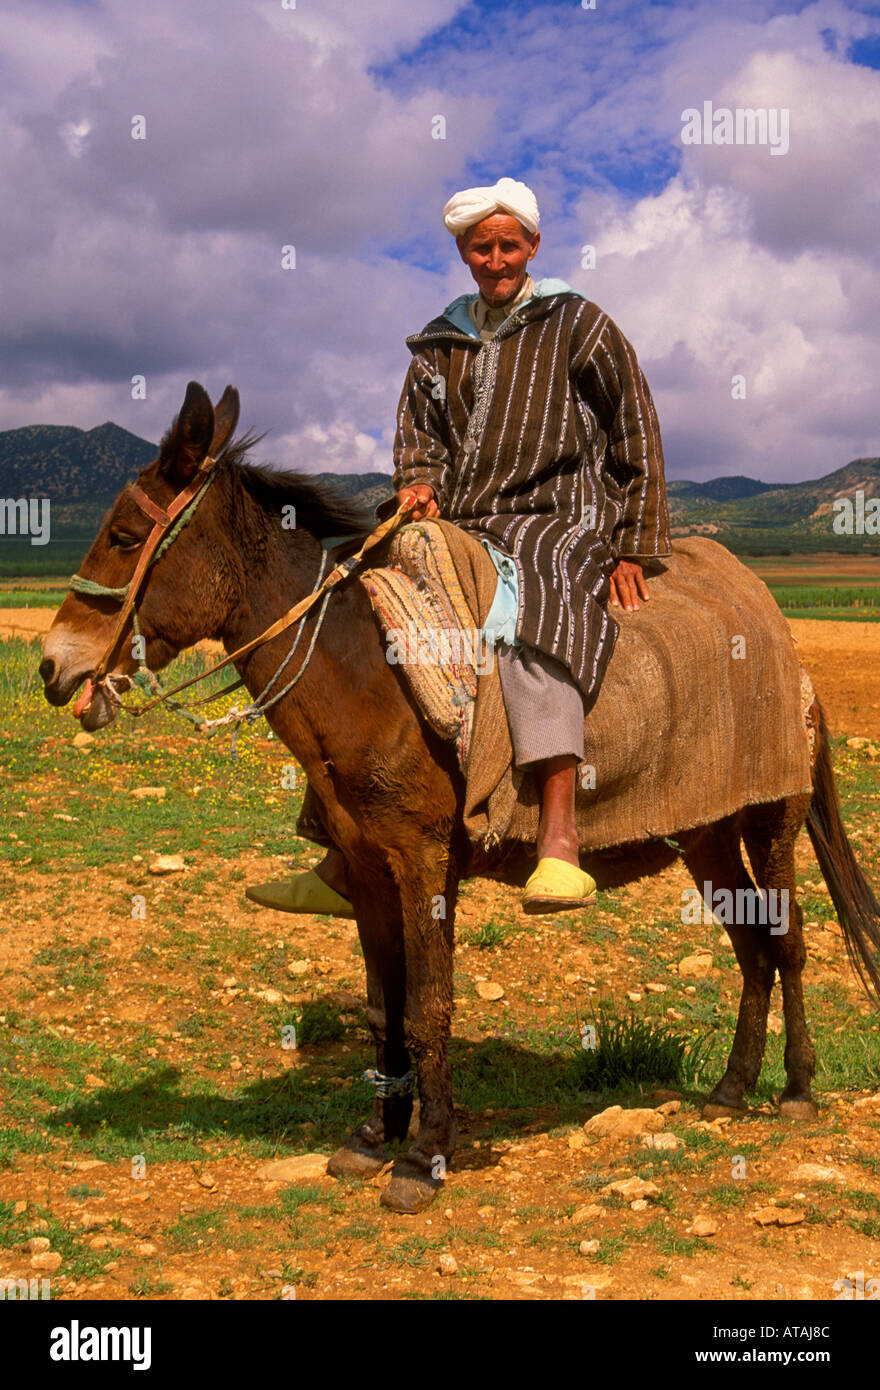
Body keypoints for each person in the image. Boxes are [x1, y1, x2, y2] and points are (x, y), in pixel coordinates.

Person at [247, 175, 670, 917]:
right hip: (464, 520)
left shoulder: (580, 325)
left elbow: (634, 426)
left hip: (555, 519)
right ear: (463, 253)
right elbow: (418, 434)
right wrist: (417, 484)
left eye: (509, 245)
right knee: (376, 608)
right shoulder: (441, 343)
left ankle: (559, 844)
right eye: (482, 247)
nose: (496, 258)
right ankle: (340, 853)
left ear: (533, 246)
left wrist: (633, 545)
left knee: (540, 617)